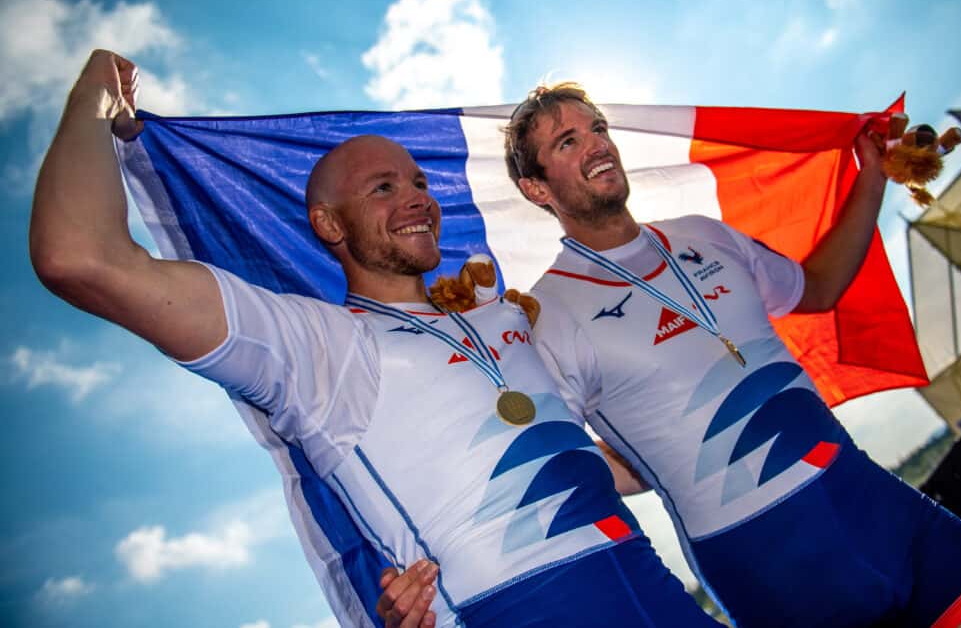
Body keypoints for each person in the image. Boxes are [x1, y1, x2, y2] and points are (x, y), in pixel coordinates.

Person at [30, 52, 722, 628]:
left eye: (420, 182)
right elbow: (79, 259)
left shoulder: (505, 319)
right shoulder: (314, 346)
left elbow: (606, 453)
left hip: (653, 587)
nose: (418, 197)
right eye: (384, 188)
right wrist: (93, 93)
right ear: (329, 225)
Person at [381, 83, 961, 628]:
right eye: (567, 142)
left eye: (597, 128)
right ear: (535, 188)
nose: (597, 144)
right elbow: (560, 466)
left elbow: (819, 286)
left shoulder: (702, 234)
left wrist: (874, 179)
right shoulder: (547, 314)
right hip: (764, 557)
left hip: (866, 492)